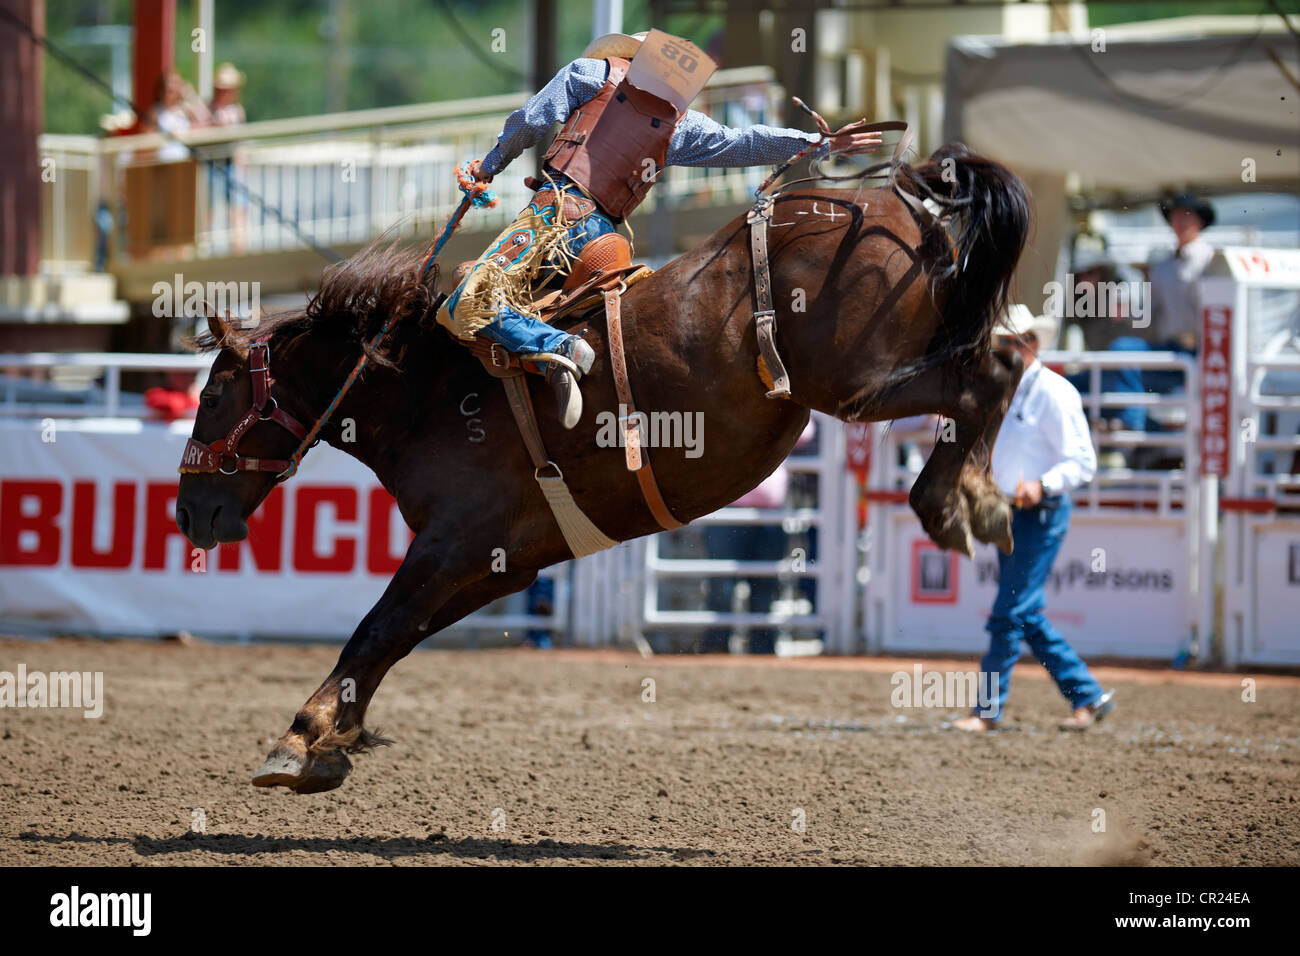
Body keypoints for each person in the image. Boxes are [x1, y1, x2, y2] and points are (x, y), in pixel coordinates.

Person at [438, 30, 883, 428]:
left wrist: (489, 165)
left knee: (464, 299)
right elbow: (743, 142)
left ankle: (557, 349)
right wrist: (816, 143)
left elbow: (531, 121)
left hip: (558, 217)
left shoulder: (589, 73)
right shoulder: (680, 124)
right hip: (606, 240)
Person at [954, 306, 1116, 733]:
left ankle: (987, 712)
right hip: (1013, 513)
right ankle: (1086, 695)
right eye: (1002, 342)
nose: (1006, 349)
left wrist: (1041, 485)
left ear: (1032, 344)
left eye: (1013, 342)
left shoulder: (1054, 393)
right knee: (1023, 612)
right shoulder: (1007, 389)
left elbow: (1083, 461)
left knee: (1011, 611)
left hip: (1039, 513)